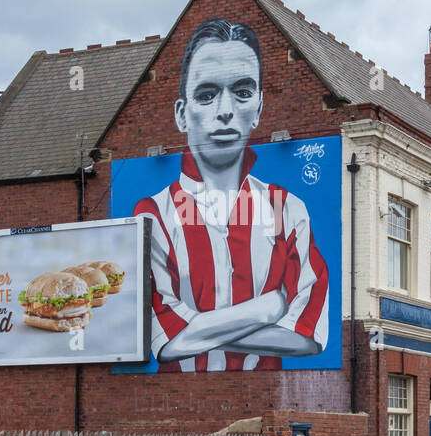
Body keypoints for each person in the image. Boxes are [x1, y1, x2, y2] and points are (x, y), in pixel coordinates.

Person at [133, 18, 329, 372]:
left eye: (241, 92)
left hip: (267, 401)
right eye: (207, 95)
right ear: (181, 114)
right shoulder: (152, 215)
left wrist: (197, 324)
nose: (225, 110)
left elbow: (308, 336)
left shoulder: (287, 208)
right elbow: (164, 342)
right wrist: (267, 309)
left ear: (258, 107)